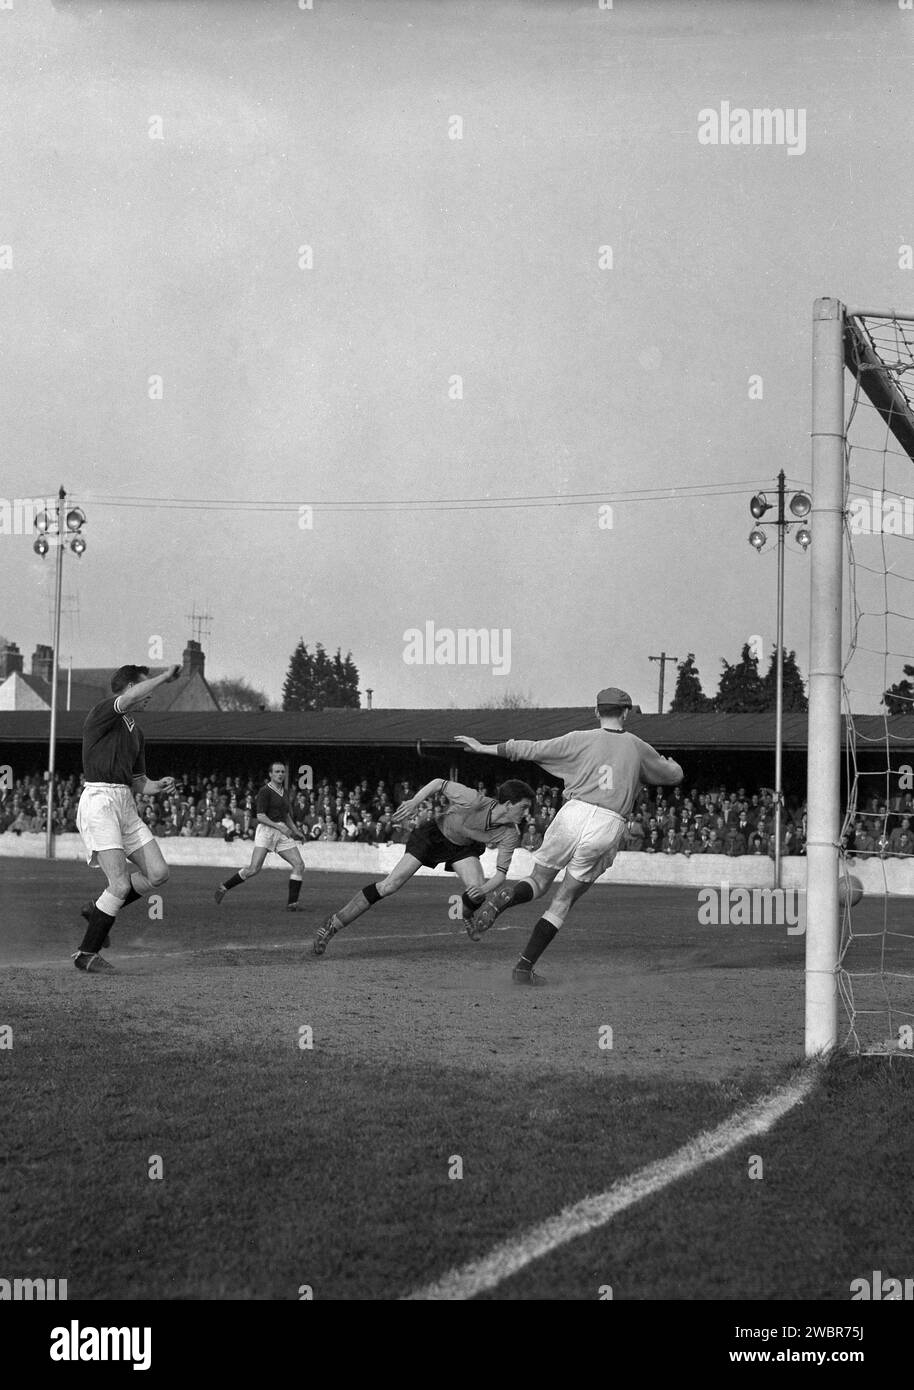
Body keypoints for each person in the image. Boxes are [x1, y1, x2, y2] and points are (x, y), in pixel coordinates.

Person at [456, 687, 683, 985]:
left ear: (596, 711)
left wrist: (483, 747)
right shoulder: (638, 747)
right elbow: (673, 776)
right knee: (563, 899)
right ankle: (523, 968)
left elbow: (530, 749)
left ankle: (503, 898)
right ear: (626, 712)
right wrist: (672, 764)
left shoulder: (579, 738)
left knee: (537, 882)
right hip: (607, 823)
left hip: (572, 813)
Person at [313, 776, 535, 957]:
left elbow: (500, 875)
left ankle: (467, 915)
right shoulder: (473, 799)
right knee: (389, 886)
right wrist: (414, 802)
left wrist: (484, 891)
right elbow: (438, 783)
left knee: (476, 891)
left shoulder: (510, 834)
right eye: (524, 807)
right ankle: (332, 924)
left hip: (463, 848)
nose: (527, 813)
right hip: (432, 836)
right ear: (508, 804)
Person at [72, 662, 182, 973]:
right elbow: (130, 700)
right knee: (118, 885)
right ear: (130, 688)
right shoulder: (104, 711)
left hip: (125, 802)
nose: (152, 696)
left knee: (158, 874)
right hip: (100, 801)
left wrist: (157, 786)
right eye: (144, 688)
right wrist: (163, 677)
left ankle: (96, 909)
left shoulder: (137, 732)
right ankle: (86, 954)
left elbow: (140, 782)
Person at [214, 761, 306, 911]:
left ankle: (292, 904)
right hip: (267, 831)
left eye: (282, 771)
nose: (280, 774)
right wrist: (280, 828)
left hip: (280, 831)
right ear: (270, 774)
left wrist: (296, 831)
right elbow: (261, 816)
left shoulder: (285, 791)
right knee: (254, 869)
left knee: (299, 865)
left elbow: (286, 815)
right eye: (277, 772)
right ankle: (224, 887)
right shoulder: (265, 791)